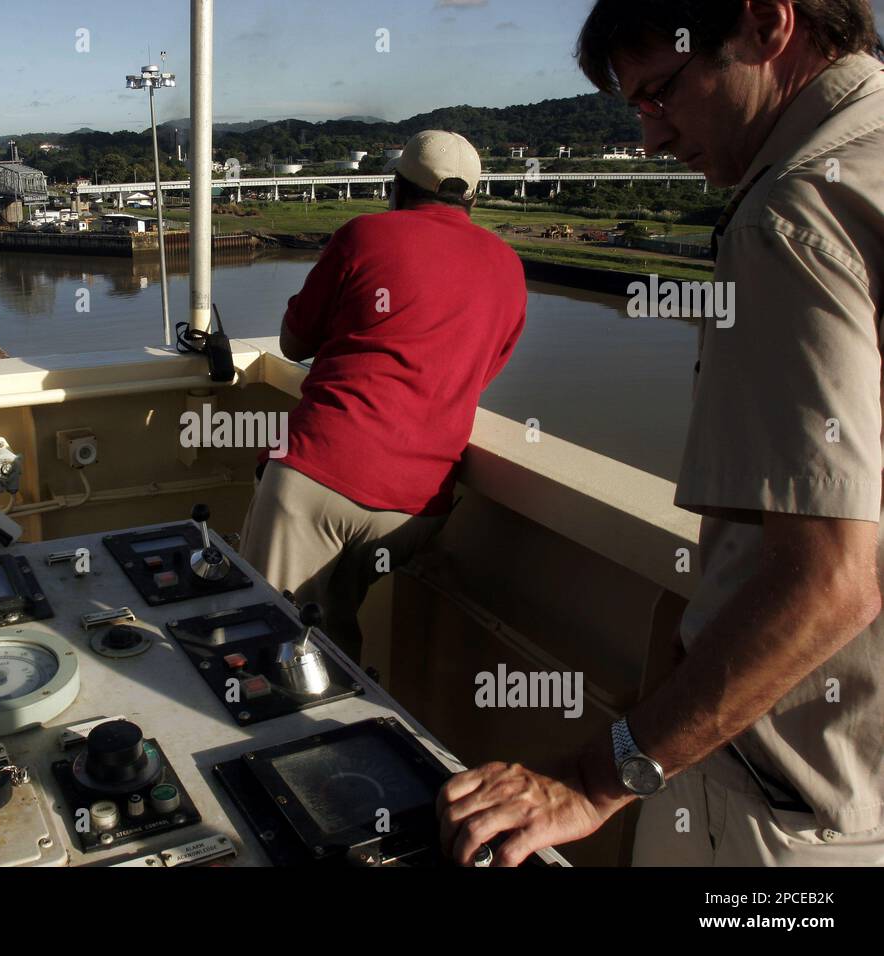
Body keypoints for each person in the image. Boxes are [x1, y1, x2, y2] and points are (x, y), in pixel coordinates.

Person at [437, 0, 884, 866]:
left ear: (766, 25)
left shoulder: (791, 217)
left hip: (780, 799)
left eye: (663, 93)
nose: (650, 139)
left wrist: (594, 781)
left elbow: (831, 581)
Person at [239, 130, 527, 662]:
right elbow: (474, 375)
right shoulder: (509, 266)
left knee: (272, 645)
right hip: (416, 508)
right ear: (472, 200)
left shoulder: (365, 235)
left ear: (395, 188)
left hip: (321, 477)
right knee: (332, 644)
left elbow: (293, 342)